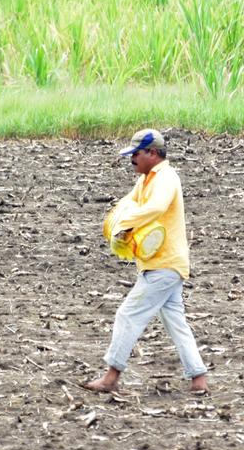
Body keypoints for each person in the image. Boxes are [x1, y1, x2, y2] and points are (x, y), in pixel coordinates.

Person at [83, 129, 209, 394]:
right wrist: (114, 221)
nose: (131, 159)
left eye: (136, 154)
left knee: (128, 314)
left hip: (164, 264)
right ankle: (198, 379)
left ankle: (111, 376)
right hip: (161, 263)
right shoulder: (145, 180)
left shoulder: (166, 178)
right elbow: (129, 203)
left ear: (152, 153)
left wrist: (123, 226)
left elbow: (155, 208)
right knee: (176, 322)